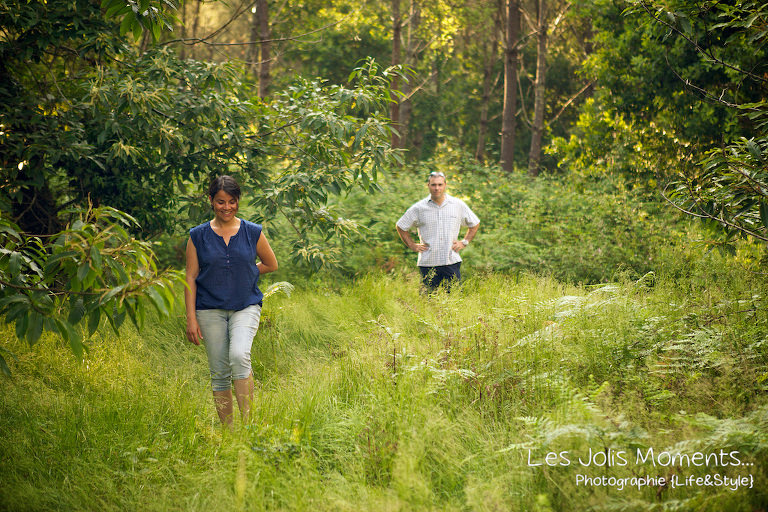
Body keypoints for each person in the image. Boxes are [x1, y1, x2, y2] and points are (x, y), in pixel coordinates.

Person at [184, 175, 278, 426]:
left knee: (239, 355)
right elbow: (190, 277)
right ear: (211, 201)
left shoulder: (252, 231)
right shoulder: (197, 235)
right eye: (221, 202)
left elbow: (271, 264)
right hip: (208, 309)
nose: (227, 207)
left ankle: (248, 427)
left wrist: (244, 273)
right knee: (219, 372)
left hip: (245, 306)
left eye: (232, 202)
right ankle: (229, 433)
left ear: (238, 202)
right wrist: (191, 318)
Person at [396, 171, 480, 291]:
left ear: (445, 185)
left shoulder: (457, 205)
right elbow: (401, 226)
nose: (437, 188)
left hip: (451, 260)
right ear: (428, 185)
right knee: (428, 300)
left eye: (440, 185)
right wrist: (412, 245)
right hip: (428, 262)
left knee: (454, 299)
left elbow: (475, 223)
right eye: (433, 185)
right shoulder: (418, 208)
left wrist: (464, 242)